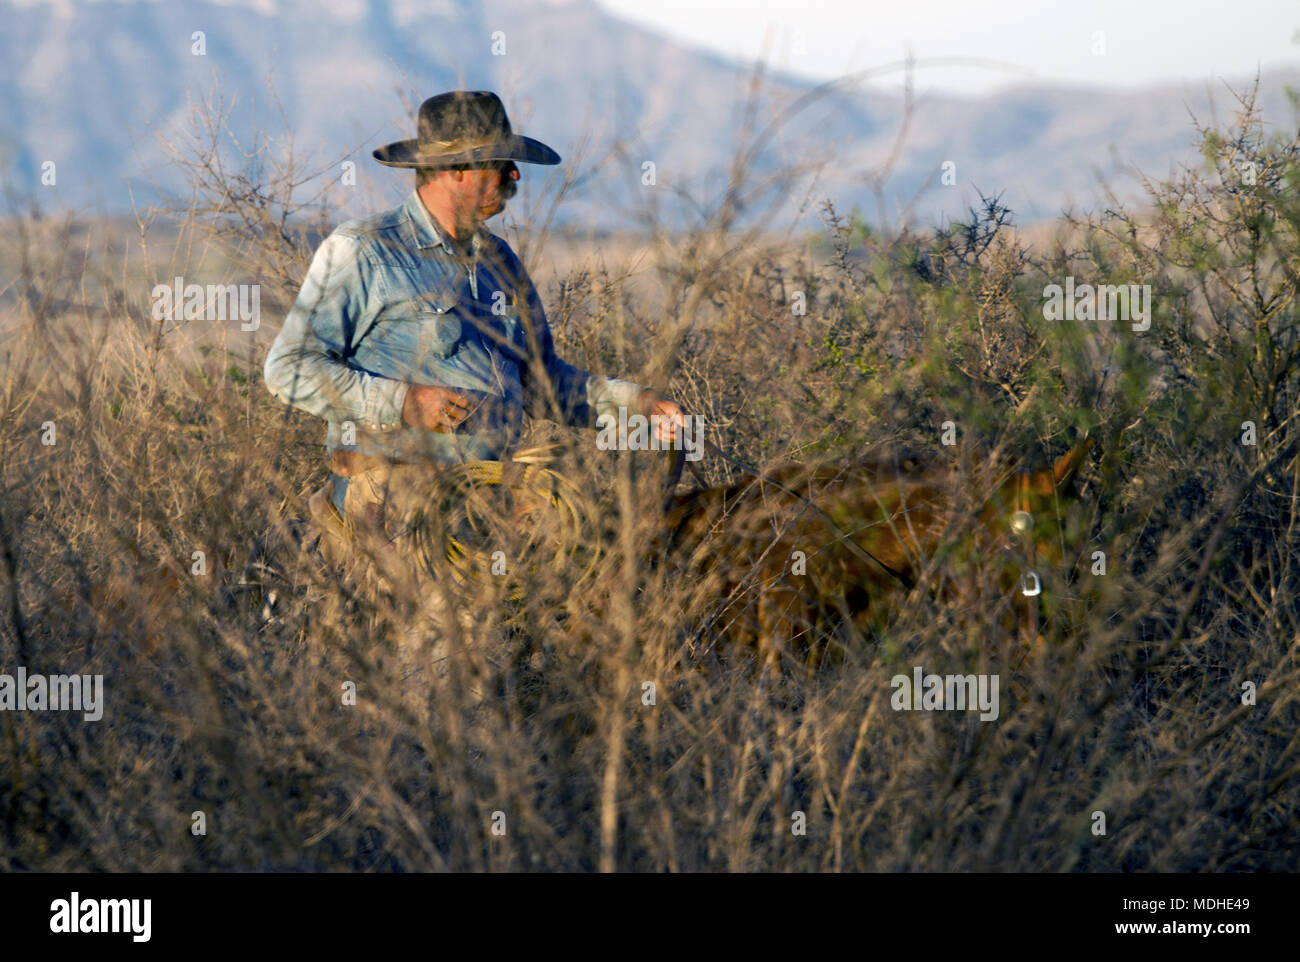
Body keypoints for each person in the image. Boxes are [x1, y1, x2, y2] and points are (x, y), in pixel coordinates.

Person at [264, 90, 684, 588]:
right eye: (502, 164)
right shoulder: (363, 250)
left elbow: (542, 382)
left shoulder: (500, 262)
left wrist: (635, 404)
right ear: (455, 170)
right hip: (392, 503)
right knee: (447, 647)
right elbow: (287, 368)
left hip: (486, 503)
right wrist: (403, 402)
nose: (515, 177)